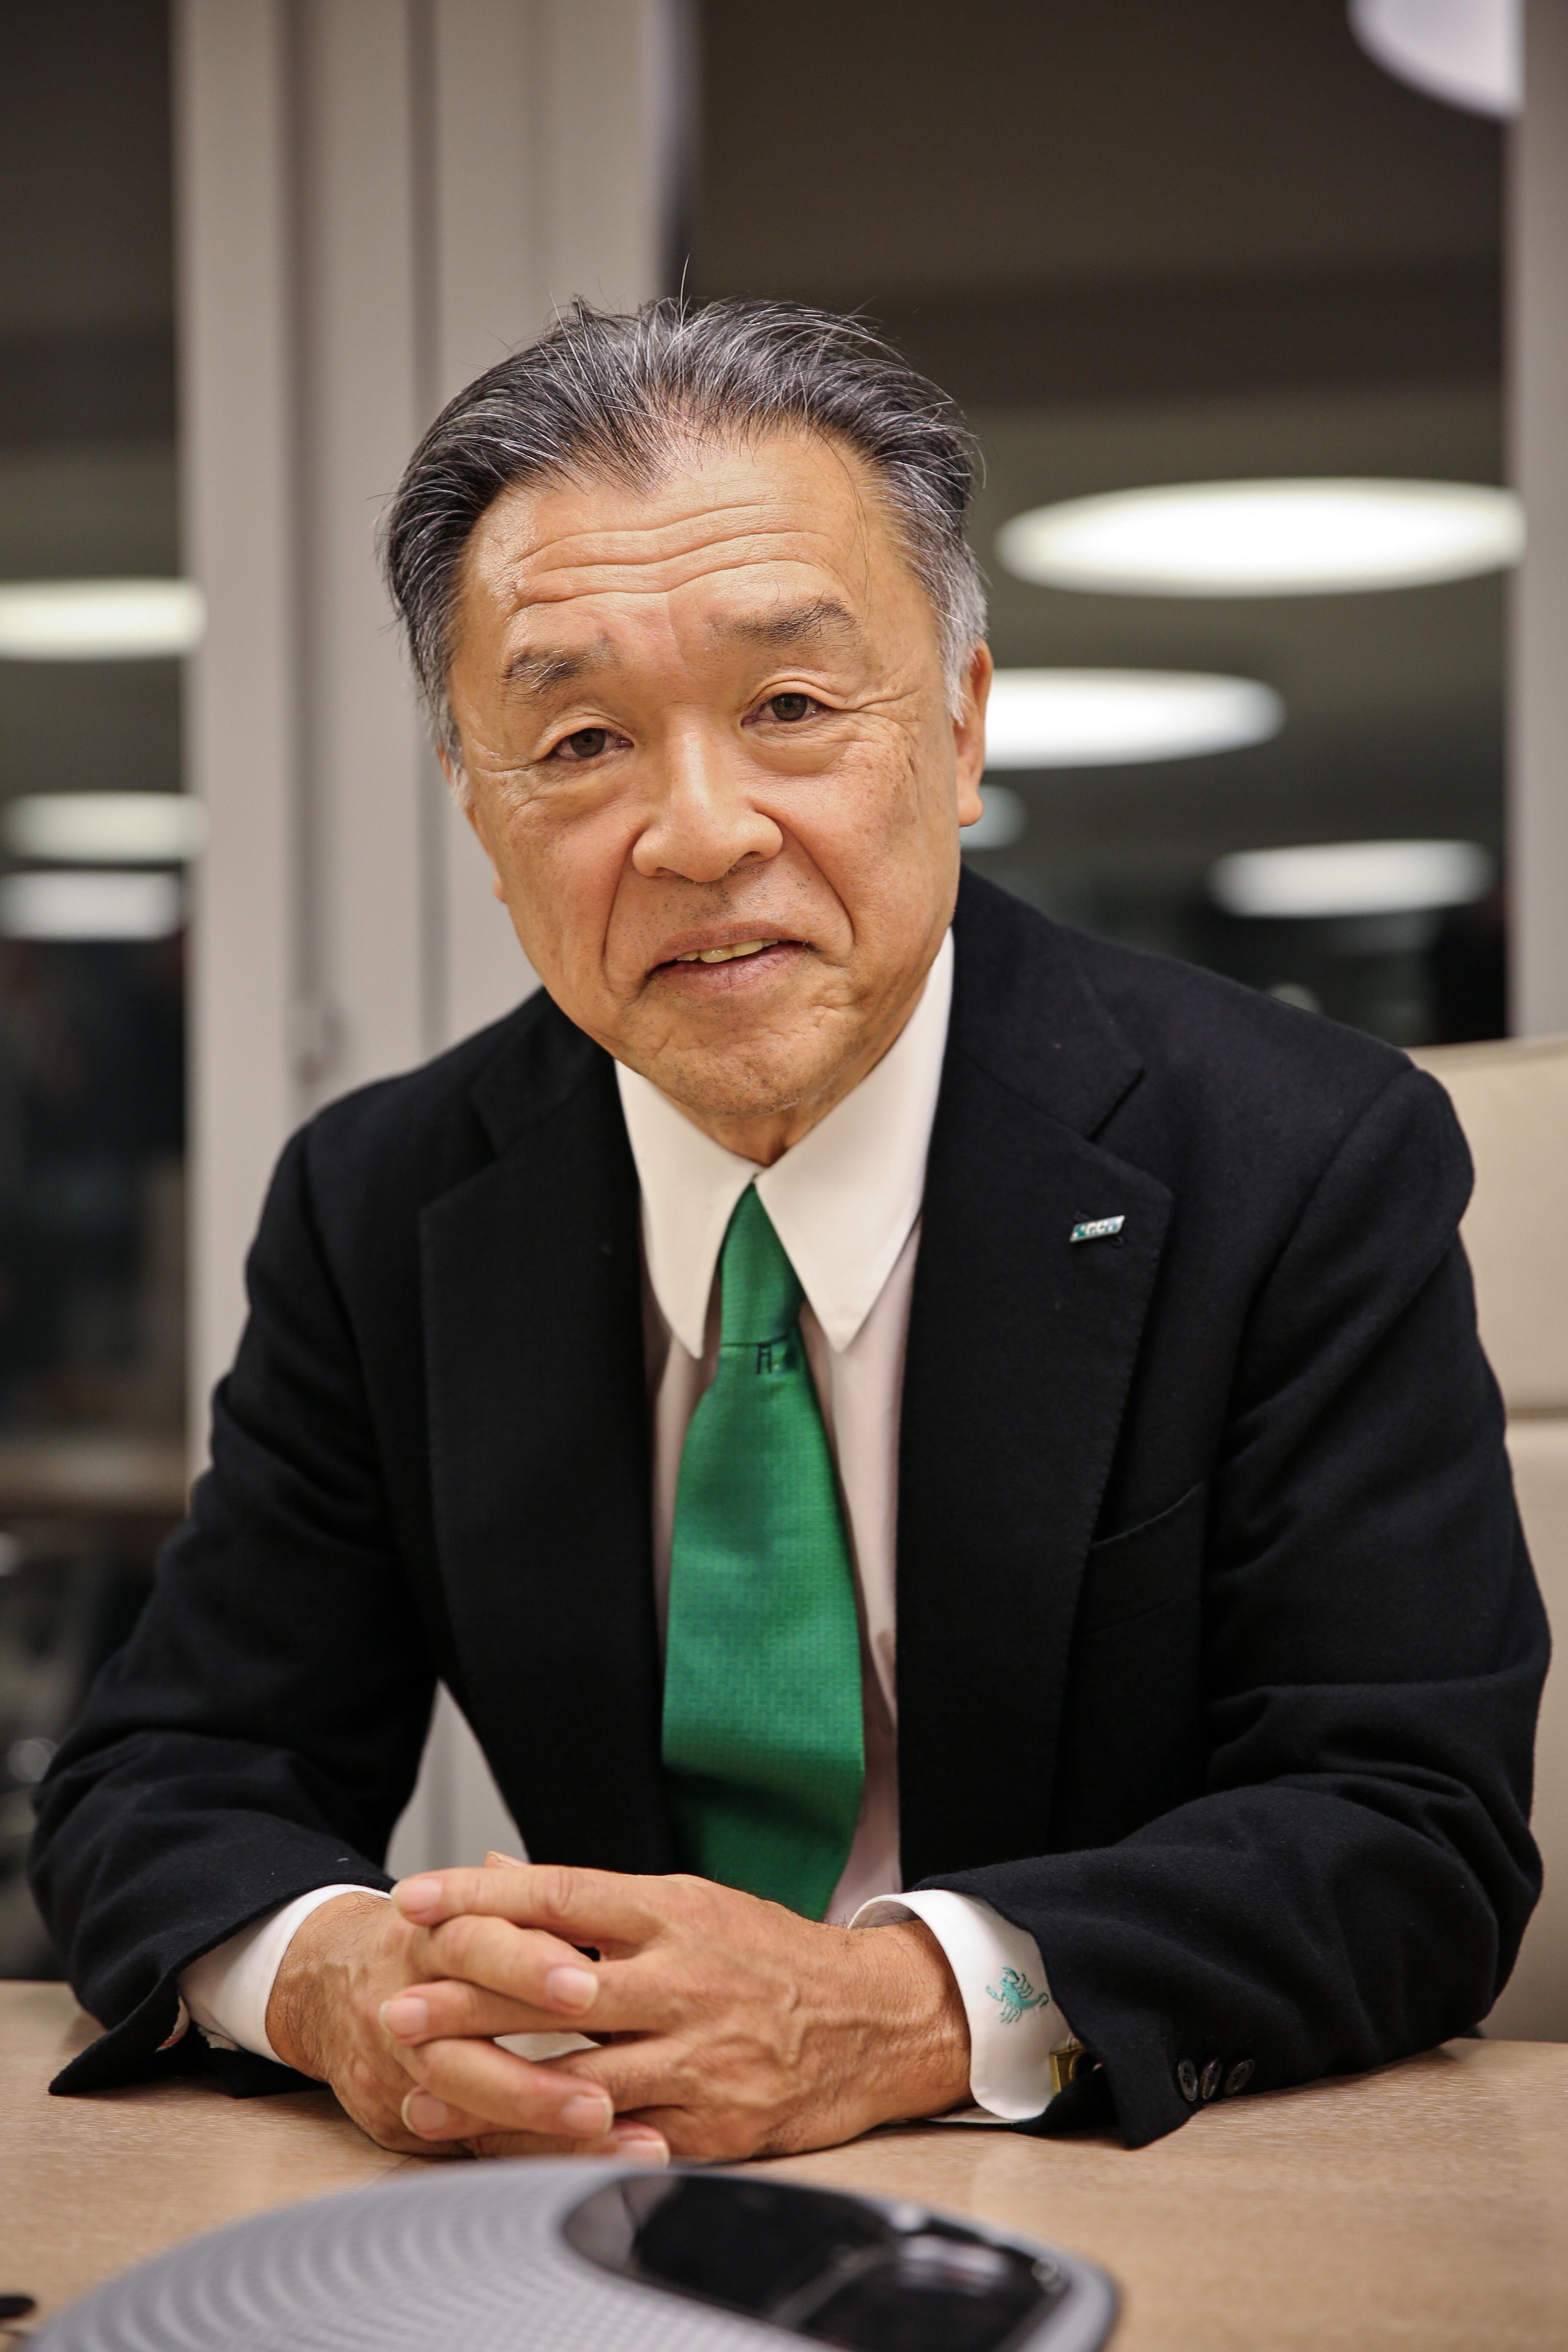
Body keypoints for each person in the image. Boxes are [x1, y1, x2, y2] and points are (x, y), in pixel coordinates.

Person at [30, 301, 1546, 2164]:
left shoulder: (1295, 1155)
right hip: (591, 2200)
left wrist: (896, 2010)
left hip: (1130, 2185)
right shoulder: (386, 1203)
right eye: (579, 738)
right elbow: (166, 1773)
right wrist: (350, 1982)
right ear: (478, 810)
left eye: (793, 709)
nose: (697, 831)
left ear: (962, 727)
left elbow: (1406, 1828)